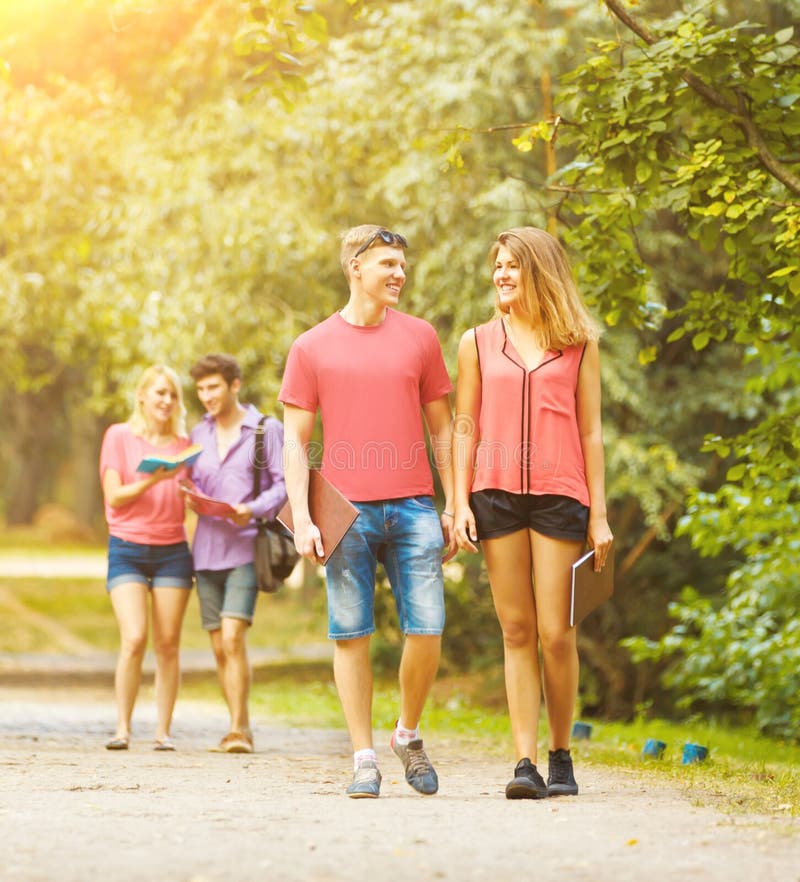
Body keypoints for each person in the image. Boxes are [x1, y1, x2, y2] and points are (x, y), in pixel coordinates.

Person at [279, 224, 456, 799]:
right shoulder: (311, 347)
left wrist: (454, 503)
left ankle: (406, 734)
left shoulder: (421, 337)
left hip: (413, 505)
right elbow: (293, 442)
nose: (399, 273)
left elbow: (444, 430)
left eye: (402, 264)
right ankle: (363, 757)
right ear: (355, 267)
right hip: (344, 510)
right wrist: (303, 519)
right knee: (351, 633)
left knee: (426, 628)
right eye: (387, 263)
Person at [452, 227, 613, 799]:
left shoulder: (579, 342)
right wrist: (457, 501)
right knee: (515, 629)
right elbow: (464, 426)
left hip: (560, 492)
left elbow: (591, 431)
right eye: (497, 264)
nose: (501, 274)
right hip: (494, 492)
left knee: (557, 633)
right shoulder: (475, 341)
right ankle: (524, 762)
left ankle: (561, 753)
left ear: (539, 271)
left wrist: (598, 514)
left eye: (513, 265)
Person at [186, 353, 287, 754]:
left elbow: (282, 486)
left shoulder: (265, 429)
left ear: (234, 385)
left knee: (232, 638)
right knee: (216, 645)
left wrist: (253, 507)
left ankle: (237, 730)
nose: (206, 395)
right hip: (206, 552)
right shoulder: (197, 434)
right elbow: (191, 481)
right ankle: (238, 725)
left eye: (213, 387)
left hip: (246, 545)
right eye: (200, 389)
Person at [99, 364, 195, 751]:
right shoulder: (120, 436)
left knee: (168, 643)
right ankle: (122, 728)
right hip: (127, 548)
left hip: (172, 550)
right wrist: (156, 478)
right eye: (159, 393)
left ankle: (163, 732)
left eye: (172, 395)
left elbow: (188, 500)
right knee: (135, 637)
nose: (166, 401)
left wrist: (190, 494)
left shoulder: (184, 445)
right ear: (142, 396)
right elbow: (114, 496)